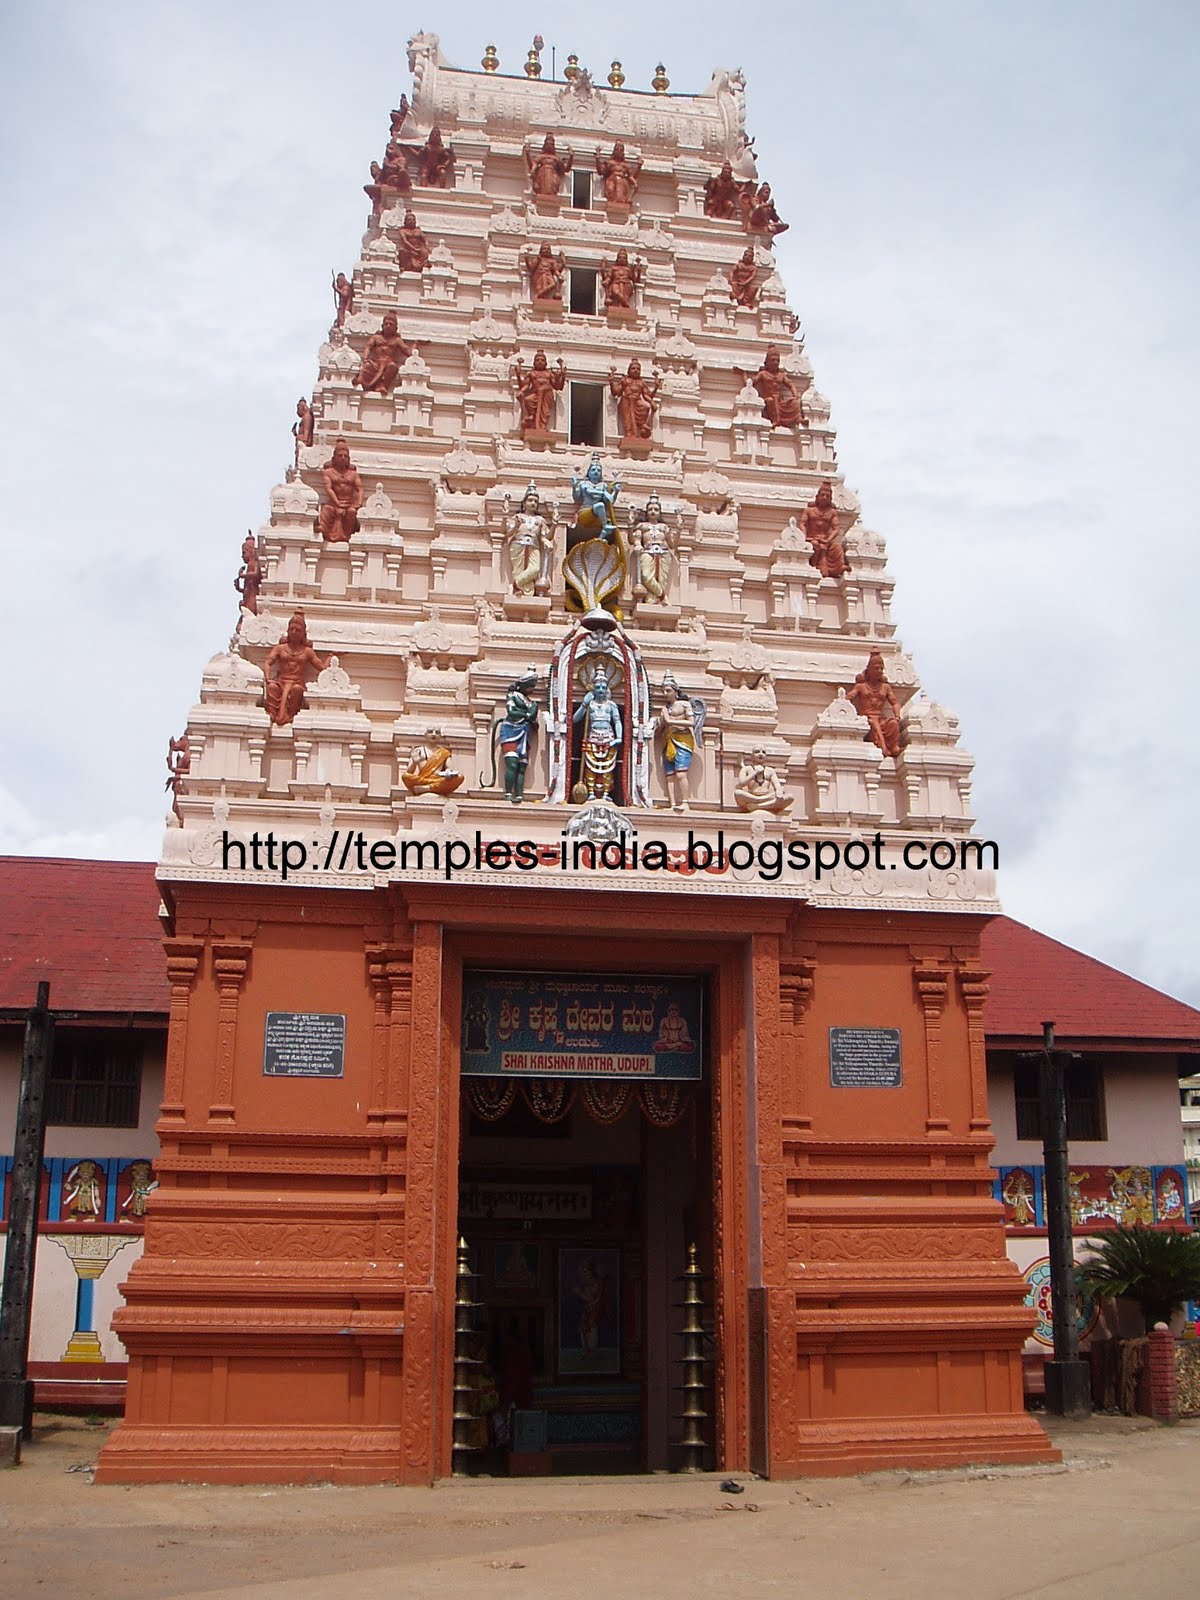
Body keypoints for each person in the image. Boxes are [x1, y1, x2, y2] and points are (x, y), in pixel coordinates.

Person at [263, 611, 327, 726]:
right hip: (281, 681)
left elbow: (321, 667)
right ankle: (272, 713)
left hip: (297, 682)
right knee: (272, 687)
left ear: (303, 633)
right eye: (291, 629)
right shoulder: (280, 648)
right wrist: (268, 678)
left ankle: (291, 714)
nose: (294, 632)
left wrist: (331, 657)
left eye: (297, 630)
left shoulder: (307, 651)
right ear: (287, 631)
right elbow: (268, 661)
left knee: (297, 690)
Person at [488, 670, 539, 803]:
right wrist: (527, 716)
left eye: (534, 685)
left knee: (522, 766)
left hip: (524, 734)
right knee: (512, 764)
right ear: (523, 684)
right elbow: (511, 712)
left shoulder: (532, 703)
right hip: (510, 732)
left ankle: (519, 795)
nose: (532, 688)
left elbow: (532, 719)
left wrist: (529, 718)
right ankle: (508, 793)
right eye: (530, 684)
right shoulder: (513, 696)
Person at [573, 666, 622, 801]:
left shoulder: (611, 705)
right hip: (592, 737)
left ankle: (606, 794)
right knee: (590, 768)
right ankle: (590, 792)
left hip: (608, 737)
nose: (601, 690)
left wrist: (619, 737)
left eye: (603, 688)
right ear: (593, 689)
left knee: (607, 768)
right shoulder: (590, 705)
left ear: (607, 689)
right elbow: (575, 719)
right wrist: (583, 704)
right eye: (598, 687)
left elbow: (617, 721)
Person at [847, 650, 902, 757]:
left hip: (881, 718)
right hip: (867, 718)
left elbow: (895, 703)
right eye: (876, 668)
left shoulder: (886, 687)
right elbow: (848, 699)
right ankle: (884, 749)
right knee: (873, 724)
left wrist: (897, 717)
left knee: (893, 724)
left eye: (881, 668)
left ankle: (894, 747)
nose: (880, 671)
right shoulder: (861, 686)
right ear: (869, 670)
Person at [503, 483, 555, 595]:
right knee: (518, 569)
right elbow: (507, 533)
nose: (533, 503)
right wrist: (514, 524)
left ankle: (514, 585)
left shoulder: (540, 520)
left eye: (536, 501)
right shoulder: (518, 517)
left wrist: (554, 524)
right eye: (530, 500)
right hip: (518, 544)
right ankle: (521, 591)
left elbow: (546, 536)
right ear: (524, 503)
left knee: (535, 569)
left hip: (534, 546)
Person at [658, 678, 701, 811]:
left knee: (681, 774)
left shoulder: (684, 705)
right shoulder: (665, 709)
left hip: (683, 740)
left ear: (675, 691)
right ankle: (672, 804)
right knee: (669, 775)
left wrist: (670, 721)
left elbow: (692, 723)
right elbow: (660, 729)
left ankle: (685, 802)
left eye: (668, 690)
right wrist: (662, 722)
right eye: (663, 691)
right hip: (669, 741)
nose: (665, 693)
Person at [740, 345, 806, 429]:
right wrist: (743, 374)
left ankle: (797, 418)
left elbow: (791, 384)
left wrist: (795, 395)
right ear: (767, 362)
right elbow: (749, 383)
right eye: (773, 360)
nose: (775, 362)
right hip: (768, 400)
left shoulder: (781, 375)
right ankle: (775, 420)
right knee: (771, 400)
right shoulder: (763, 374)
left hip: (780, 401)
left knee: (795, 402)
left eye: (777, 360)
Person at [353, 311, 413, 395]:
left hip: (388, 363)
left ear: (395, 328)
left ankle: (382, 385)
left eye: (391, 324)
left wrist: (415, 348)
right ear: (382, 326)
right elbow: (368, 347)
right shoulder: (376, 338)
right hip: (376, 362)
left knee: (393, 367)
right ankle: (361, 380)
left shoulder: (397, 340)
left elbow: (407, 352)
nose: (388, 326)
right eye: (386, 324)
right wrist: (365, 358)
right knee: (367, 366)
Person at [799, 481, 848, 578]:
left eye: (827, 496)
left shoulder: (832, 512)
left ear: (830, 499)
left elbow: (836, 528)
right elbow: (802, 523)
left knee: (837, 548)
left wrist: (828, 540)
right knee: (815, 545)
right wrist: (804, 537)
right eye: (822, 495)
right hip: (811, 538)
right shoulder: (809, 510)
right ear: (818, 497)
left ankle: (838, 567)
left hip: (826, 540)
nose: (825, 497)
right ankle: (814, 566)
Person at [317, 440, 364, 543]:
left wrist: (359, 503)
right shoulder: (328, 472)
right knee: (327, 509)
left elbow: (360, 488)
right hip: (334, 503)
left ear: (348, 459)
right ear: (334, 458)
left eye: (345, 456)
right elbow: (328, 488)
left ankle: (347, 534)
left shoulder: (353, 474)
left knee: (352, 512)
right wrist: (337, 503)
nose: (343, 458)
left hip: (349, 503)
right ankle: (323, 528)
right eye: (340, 456)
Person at [631, 495, 674, 603]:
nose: (653, 511)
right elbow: (634, 539)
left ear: (660, 512)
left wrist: (679, 530)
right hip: (647, 551)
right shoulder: (642, 526)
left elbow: (672, 544)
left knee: (661, 579)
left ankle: (653, 599)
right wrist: (630, 526)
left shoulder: (664, 527)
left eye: (656, 509)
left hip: (664, 552)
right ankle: (663, 597)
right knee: (646, 576)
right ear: (646, 512)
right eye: (650, 509)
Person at [513, 349, 566, 435]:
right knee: (528, 400)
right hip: (536, 394)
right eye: (538, 360)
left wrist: (562, 377)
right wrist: (518, 376)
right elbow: (525, 386)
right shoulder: (531, 373)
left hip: (546, 395)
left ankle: (541, 426)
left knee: (544, 413)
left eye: (542, 360)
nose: (540, 362)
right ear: (534, 362)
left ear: (545, 363)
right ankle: (532, 417)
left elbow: (558, 386)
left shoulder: (549, 374)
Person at [570, 452, 620, 538]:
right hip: (585, 512)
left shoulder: (603, 486)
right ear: (588, 472)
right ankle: (605, 527)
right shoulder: (584, 484)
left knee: (606, 515)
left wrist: (616, 491)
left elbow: (610, 501)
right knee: (600, 505)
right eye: (593, 470)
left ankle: (601, 538)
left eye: (598, 470)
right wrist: (574, 487)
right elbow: (576, 498)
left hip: (598, 517)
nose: (596, 472)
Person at [608, 359, 660, 441]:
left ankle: (642, 427)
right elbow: (616, 393)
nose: (636, 370)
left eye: (638, 369)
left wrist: (655, 389)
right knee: (628, 422)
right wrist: (611, 383)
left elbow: (647, 395)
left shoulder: (641, 382)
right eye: (633, 368)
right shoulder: (625, 380)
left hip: (637, 401)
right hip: (626, 401)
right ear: (629, 371)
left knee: (646, 407)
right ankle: (630, 436)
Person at [595, 140, 642, 206]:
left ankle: (629, 199)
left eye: (621, 150)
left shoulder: (625, 165)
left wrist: (639, 167)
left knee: (632, 187)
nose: (619, 151)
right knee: (611, 190)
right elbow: (601, 172)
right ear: (614, 151)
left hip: (622, 181)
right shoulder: (610, 163)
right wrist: (597, 160)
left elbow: (632, 177)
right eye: (617, 149)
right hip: (612, 180)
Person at [527, 132, 572, 197]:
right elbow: (533, 165)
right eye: (547, 144)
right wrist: (527, 154)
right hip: (542, 175)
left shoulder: (557, 158)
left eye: (551, 144)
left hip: (553, 176)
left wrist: (571, 157)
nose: (549, 146)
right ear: (545, 145)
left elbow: (566, 169)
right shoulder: (540, 156)